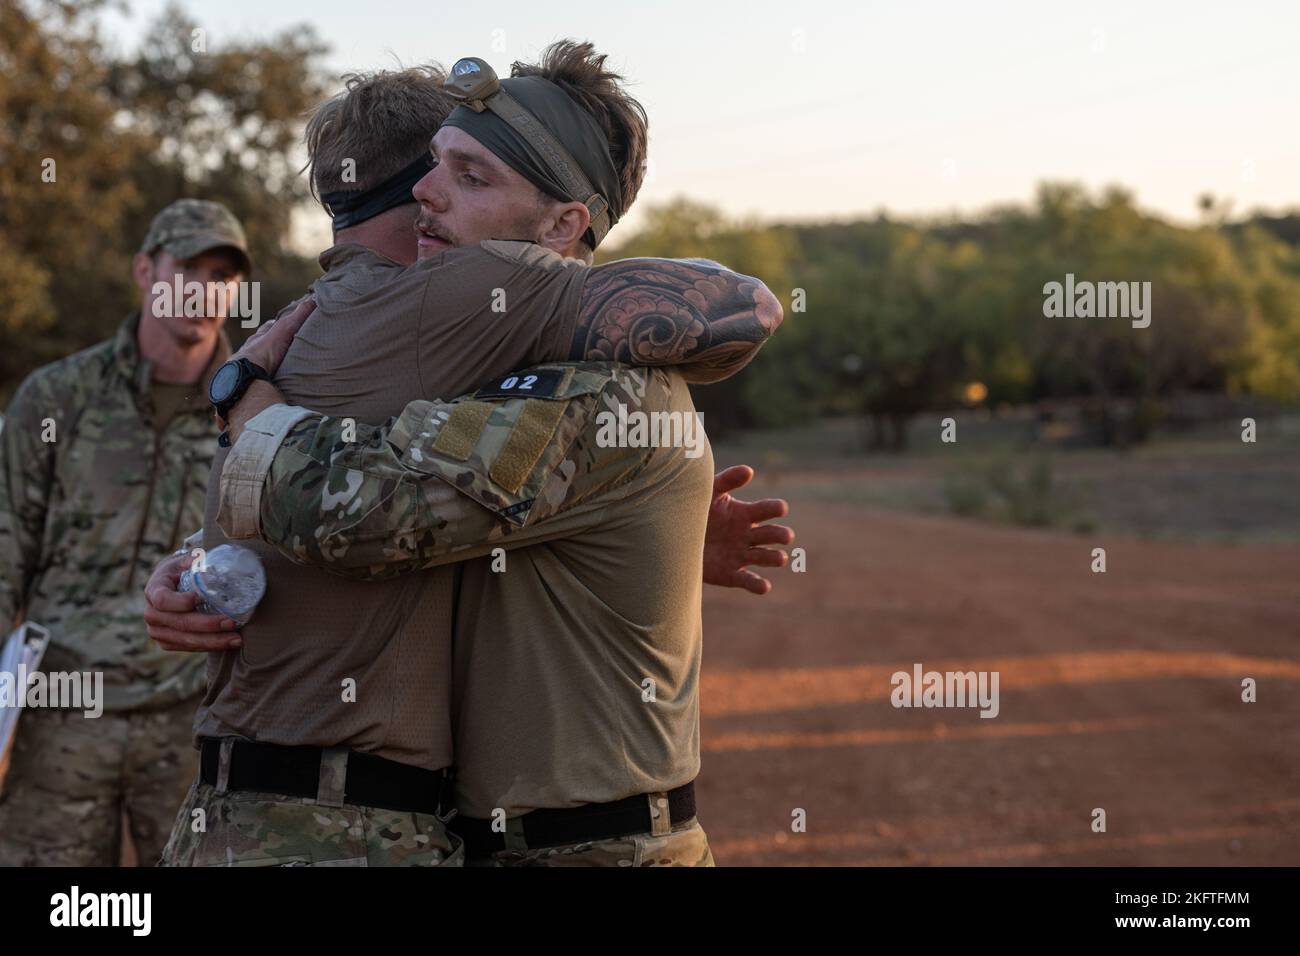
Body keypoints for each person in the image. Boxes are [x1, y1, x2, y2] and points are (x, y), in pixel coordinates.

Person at [148, 44, 790, 868]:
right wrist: (202, 564)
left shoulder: (594, 393)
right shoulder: (484, 368)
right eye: (433, 166)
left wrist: (243, 395)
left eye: (471, 176)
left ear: (563, 225)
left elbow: (363, 514)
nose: (427, 194)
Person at [0, 199, 250, 866]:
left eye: (223, 275)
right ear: (145, 270)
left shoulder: (259, 408)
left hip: (195, 713)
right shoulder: (58, 397)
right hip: (63, 706)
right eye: (188, 267)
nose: (205, 290)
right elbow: (5, 547)